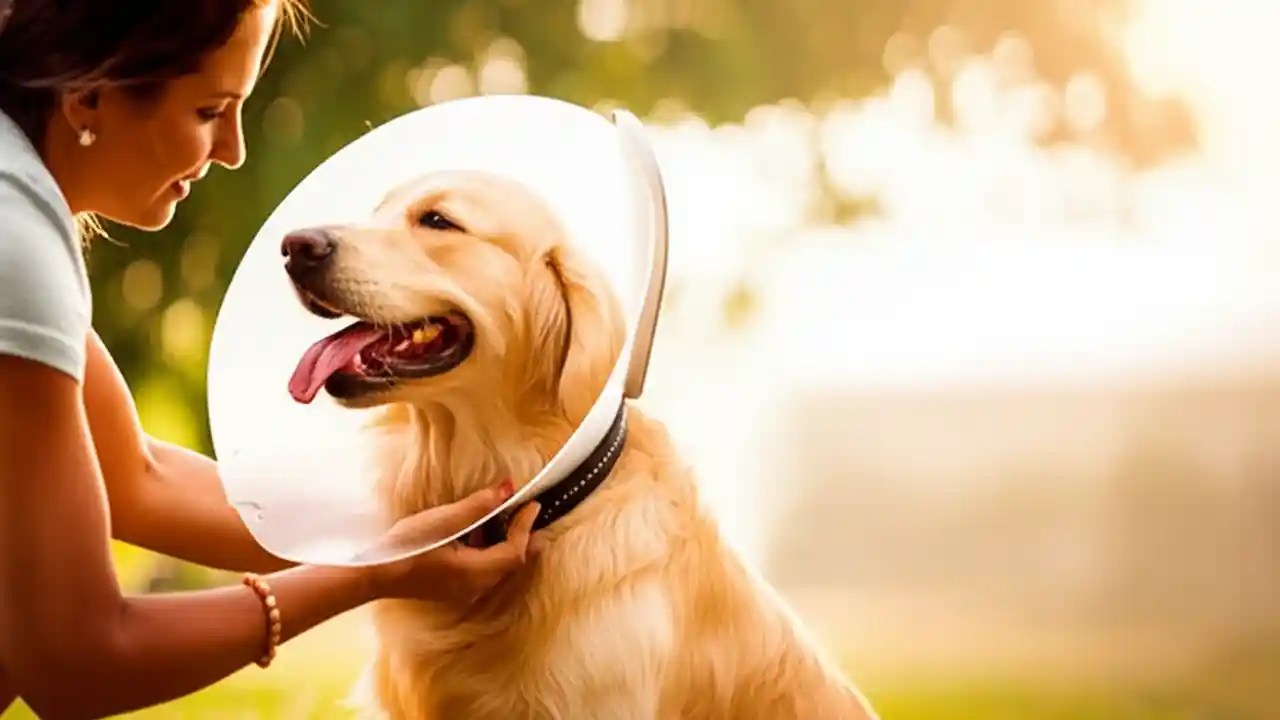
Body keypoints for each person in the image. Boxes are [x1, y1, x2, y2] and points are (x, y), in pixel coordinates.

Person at [0, 1, 544, 717]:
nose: (233, 149)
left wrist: (402, 528)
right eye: (209, 111)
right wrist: (369, 576)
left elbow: (132, 476)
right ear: (88, 94)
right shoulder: (13, 240)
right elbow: (78, 662)